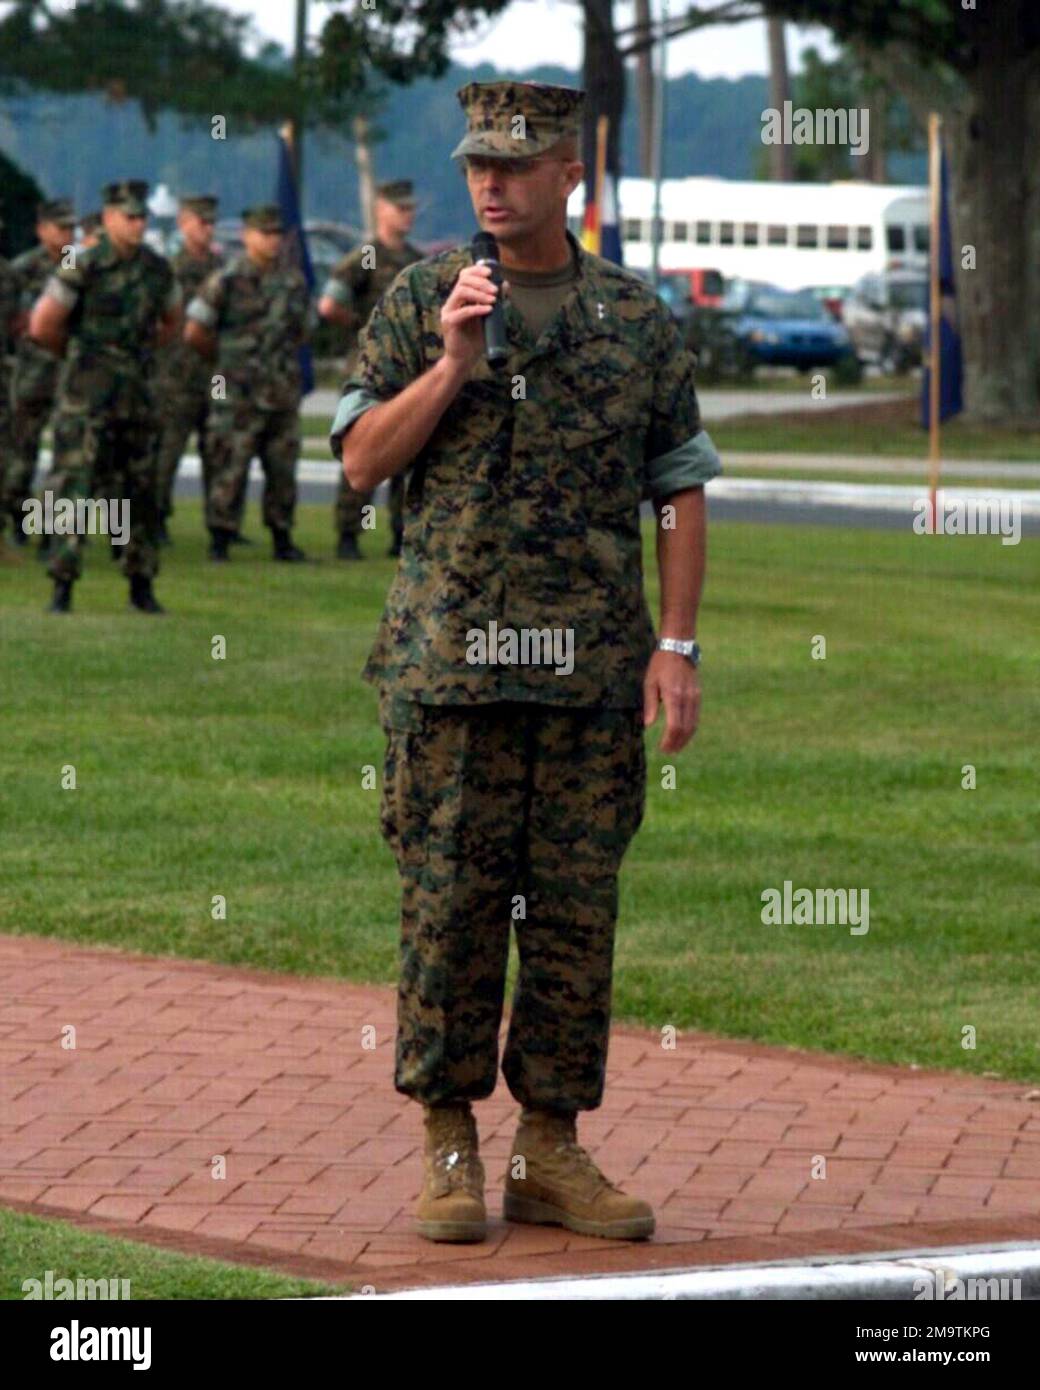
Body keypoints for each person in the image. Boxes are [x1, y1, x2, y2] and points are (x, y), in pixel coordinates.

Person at [330, 80, 722, 1244]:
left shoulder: (633, 319)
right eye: (475, 167)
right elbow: (358, 464)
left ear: (569, 173)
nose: (490, 184)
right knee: (446, 904)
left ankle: (548, 1147)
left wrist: (676, 643)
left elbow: (678, 486)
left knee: (570, 912)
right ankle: (446, 1139)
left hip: (587, 672)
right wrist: (450, 364)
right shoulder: (417, 298)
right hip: (449, 668)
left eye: (516, 164)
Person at [29, 180, 180, 614]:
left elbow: (173, 320)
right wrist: (80, 357)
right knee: (71, 489)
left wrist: (139, 355)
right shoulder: (82, 262)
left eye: (142, 217)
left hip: (135, 396)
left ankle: (141, 582)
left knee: (138, 491)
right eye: (129, 217)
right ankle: (62, 584)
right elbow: (43, 324)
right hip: (86, 398)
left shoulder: (156, 268)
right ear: (110, 217)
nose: (137, 224)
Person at [185, 204, 309, 563]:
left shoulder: (293, 281)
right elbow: (195, 331)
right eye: (264, 233)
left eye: (276, 234)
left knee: (283, 468)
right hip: (237, 393)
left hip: (280, 392)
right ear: (247, 235)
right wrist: (227, 361)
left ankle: (282, 536)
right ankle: (221, 537)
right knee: (230, 465)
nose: (272, 241)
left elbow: (303, 331)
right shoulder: (227, 278)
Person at [318, 180, 422, 560]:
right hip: (372, 370)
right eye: (400, 208)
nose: (406, 215)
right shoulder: (367, 256)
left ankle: (400, 534)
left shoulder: (414, 258)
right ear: (381, 210)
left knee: (406, 452)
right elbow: (330, 305)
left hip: (407, 370)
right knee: (362, 447)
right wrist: (364, 329)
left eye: (410, 209)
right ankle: (350, 533)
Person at [153, 194, 223, 543]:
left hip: (216, 378)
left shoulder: (223, 272)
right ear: (183, 223)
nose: (207, 229)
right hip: (176, 376)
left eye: (212, 223)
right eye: (201, 222)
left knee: (218, 451)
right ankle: (157, 518)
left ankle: (221, 525)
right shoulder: (167, 270)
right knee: (167, 451)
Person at [6, 198, 76, 545]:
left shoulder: (80, 268)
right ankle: (19, 516)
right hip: (32, 374)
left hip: (70, 376)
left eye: (71, 228)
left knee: (67, 454)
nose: (68, 235)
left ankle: (52, 527)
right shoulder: (22, 270)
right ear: (42, 230)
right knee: (22, 451)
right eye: (61, 227)